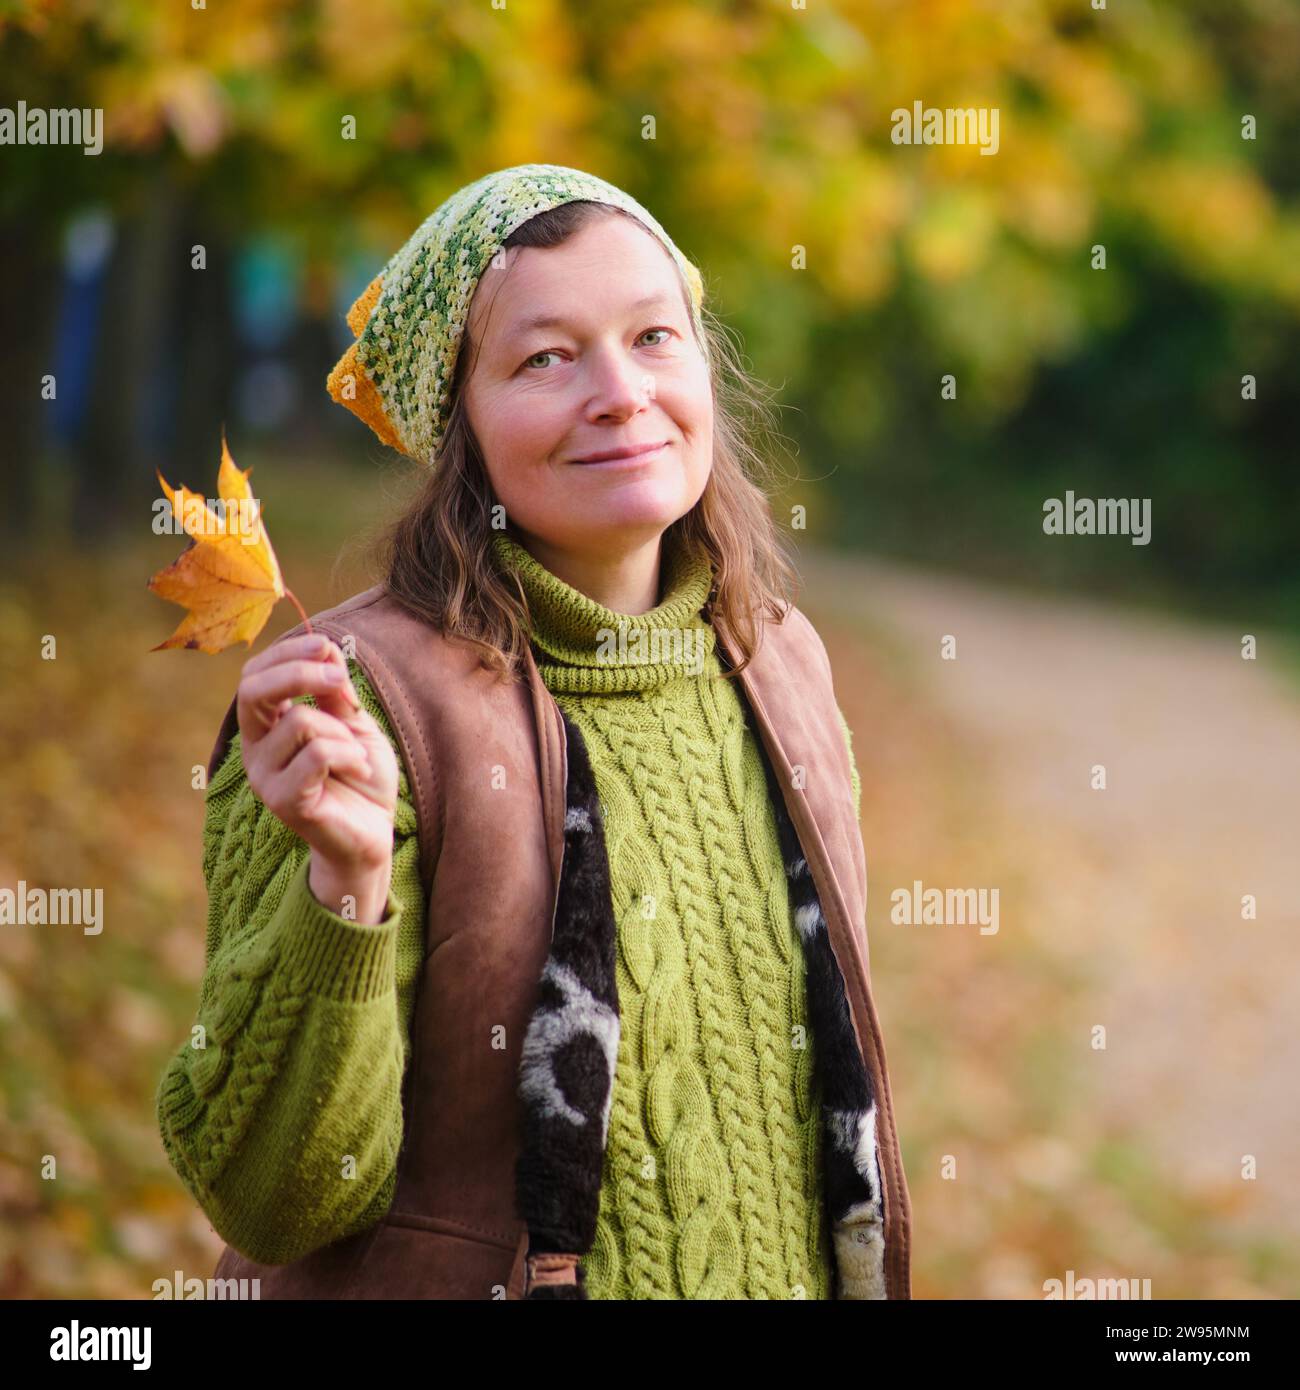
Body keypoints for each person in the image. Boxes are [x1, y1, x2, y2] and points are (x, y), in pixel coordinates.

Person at [156, 163, 911, 1300]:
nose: (619, 392)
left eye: (654, 336)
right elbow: (275, 1200)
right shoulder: (361, 709)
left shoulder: (780, 661)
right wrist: (344, 887)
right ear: (454, 426)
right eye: (545, 358)